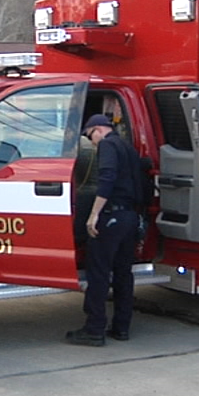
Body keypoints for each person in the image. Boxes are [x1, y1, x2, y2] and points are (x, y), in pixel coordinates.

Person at [66, 113, 142, 347]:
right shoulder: (126, 146)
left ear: (98, 129)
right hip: (129, 217)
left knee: (98, 273)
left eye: (91, 136)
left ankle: (94, 329)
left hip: (111, 217)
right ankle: (121, 327)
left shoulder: (108, 145)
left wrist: (94, 214)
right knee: (123, 274)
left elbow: (106, 179)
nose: (92, 142)